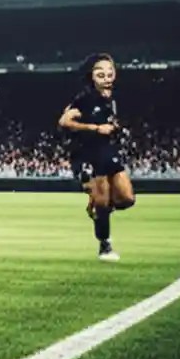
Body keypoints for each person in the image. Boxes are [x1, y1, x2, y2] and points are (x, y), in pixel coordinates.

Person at [59, 53, 135, 261]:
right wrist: (95, 128)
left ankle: (97, 205)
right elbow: (65, 121)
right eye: (100, 74)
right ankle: (105, 245)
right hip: (88, 153)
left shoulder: (114, 98)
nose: (106, 77)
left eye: (110, 73)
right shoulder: (85, 98)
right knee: (103, 201)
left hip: (108, 151)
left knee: (127, 198)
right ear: (92, 76)